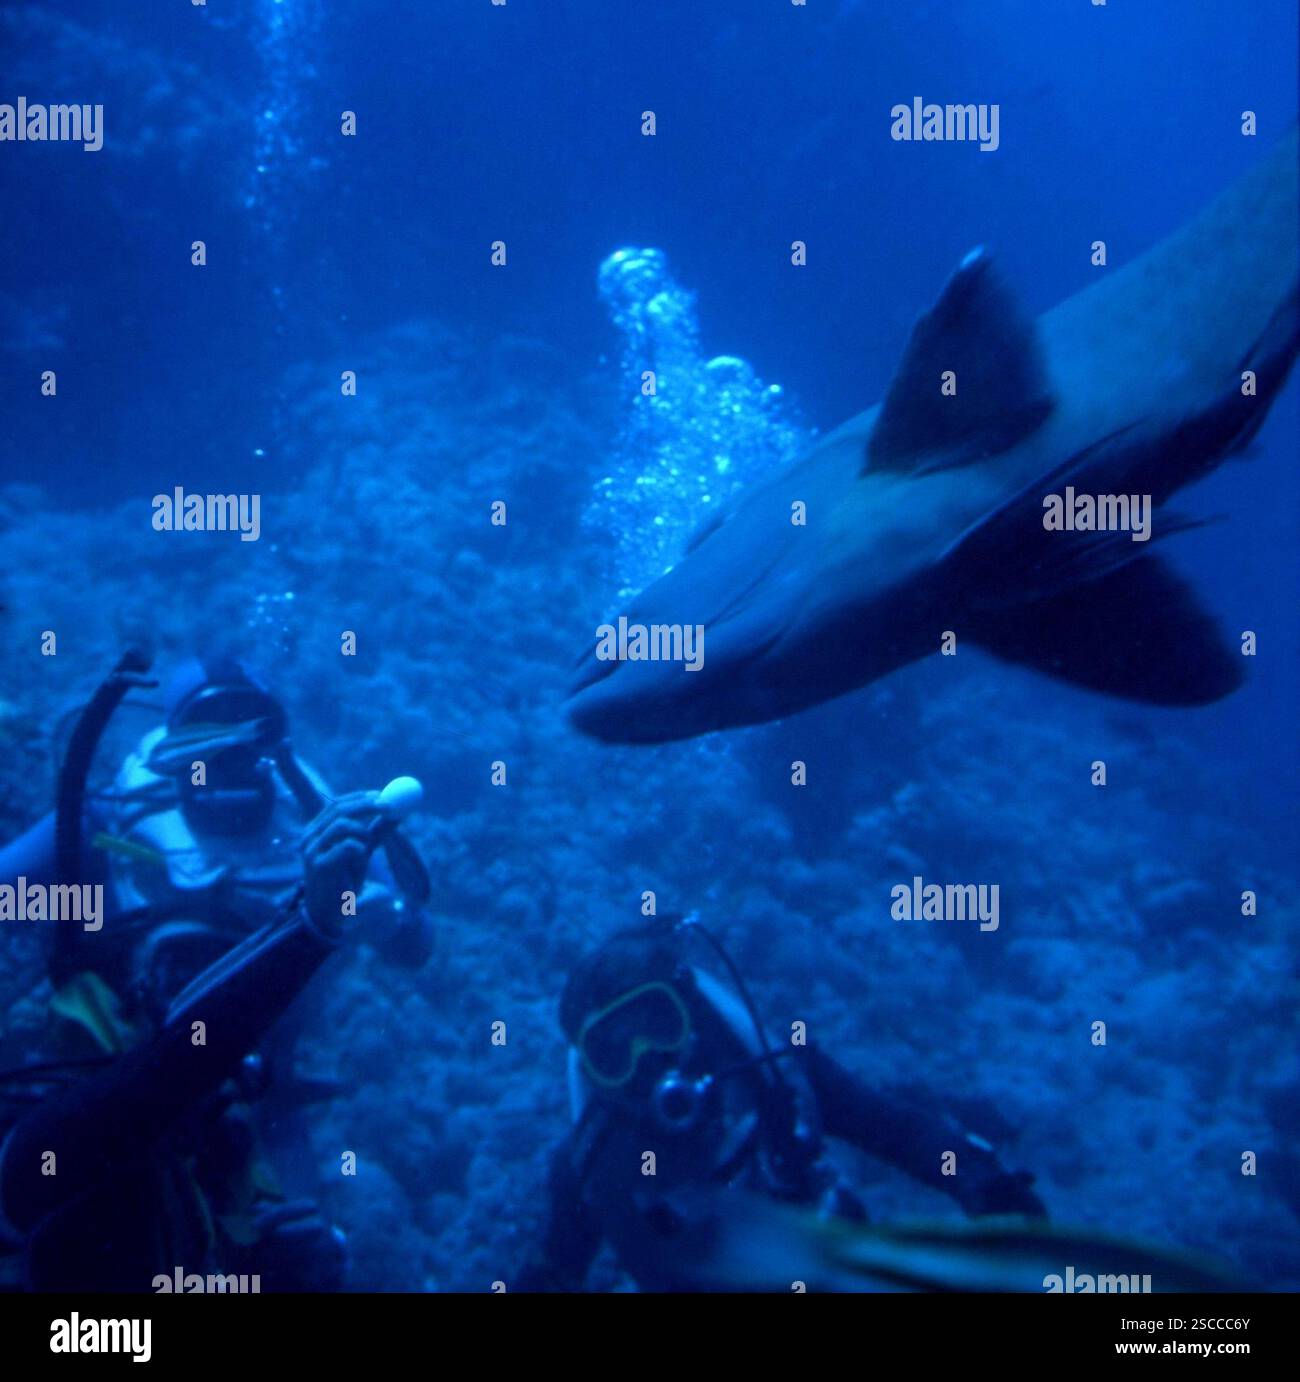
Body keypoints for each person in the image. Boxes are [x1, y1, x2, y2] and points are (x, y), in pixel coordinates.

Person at [0, 789, 399, 1291]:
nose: (196, 996)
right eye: (177, 977)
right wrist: (313, 928)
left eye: (215, 970)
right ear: (124, 1000)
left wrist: (295, 1269)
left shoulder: (227, 1163)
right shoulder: (35, 1151)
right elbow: (165, 1075)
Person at [515, 918, 1045, 1292]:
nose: (648, 1060)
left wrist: (984, 1184)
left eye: (658, 1024)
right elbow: (556, 1271)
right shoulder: (591, 1168)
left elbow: (899, 1131)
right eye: (615, 1051)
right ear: (593, 1072)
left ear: (692, 1018)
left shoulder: (776, 1076)